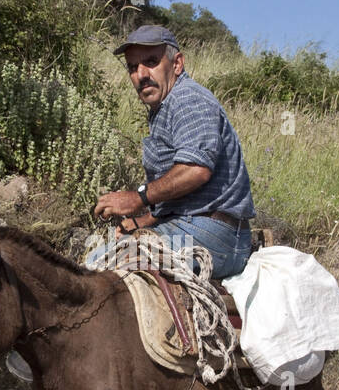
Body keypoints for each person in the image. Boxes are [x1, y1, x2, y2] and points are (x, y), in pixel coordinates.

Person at [91, 25, 255, 280]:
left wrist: (137, 198)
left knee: (101, 263)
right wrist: (144, 220)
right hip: (196, 227)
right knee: (103, 257)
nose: (141, 74)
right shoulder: (165, 106)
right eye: (132, 67)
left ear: (177, 64)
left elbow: (195, 170)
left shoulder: (187, 99)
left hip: (217, 234)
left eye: (151, 62)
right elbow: (182, 198)